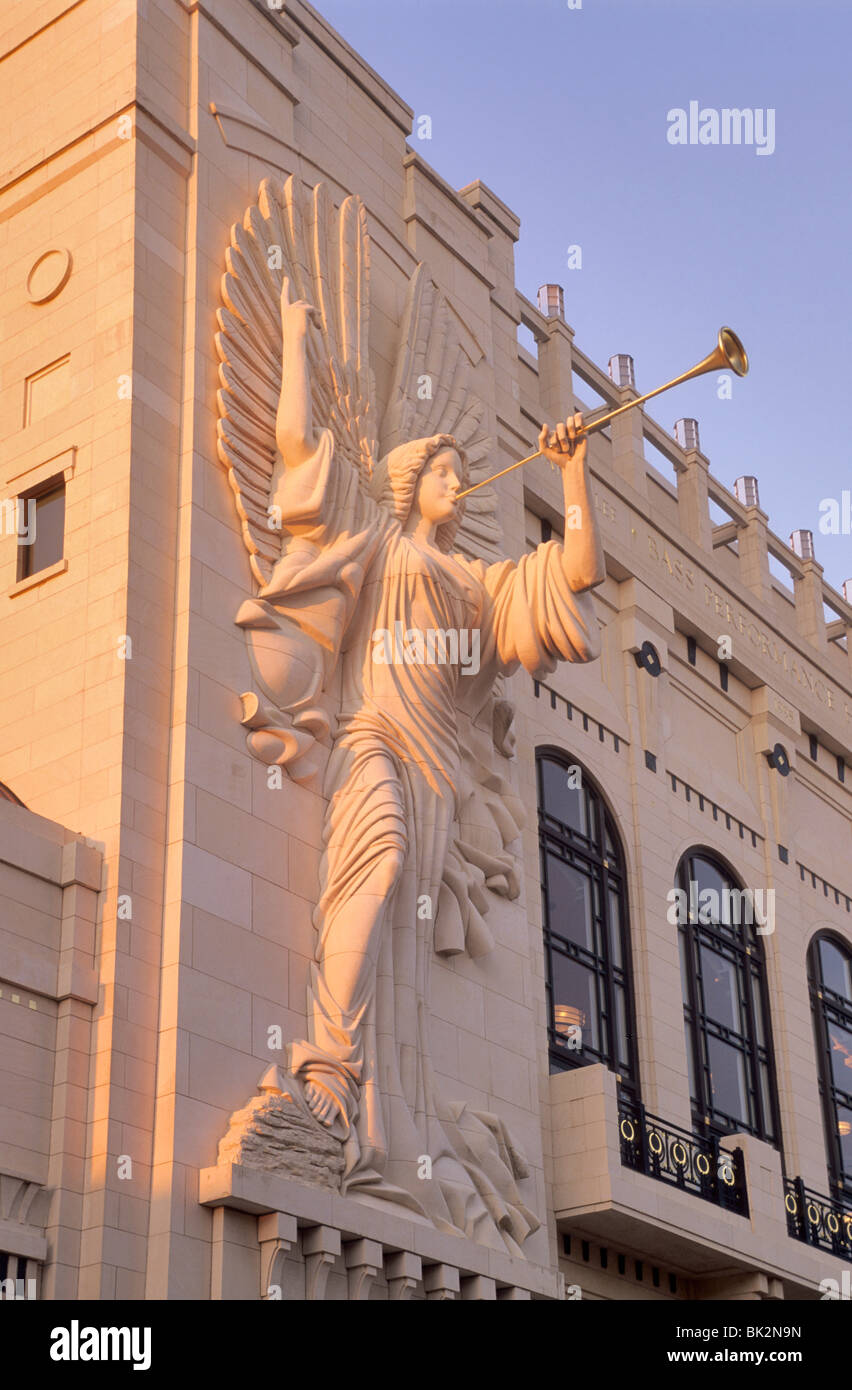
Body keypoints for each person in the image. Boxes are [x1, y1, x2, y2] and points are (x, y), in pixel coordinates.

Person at [263, 281, 605, 1249]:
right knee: (365, 881)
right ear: (411, 485)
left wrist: (572, 472)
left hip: (444, 774)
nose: (460, 478)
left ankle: (388, 1123)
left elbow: (575, 572)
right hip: (373, 735)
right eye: (445, 468)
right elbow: (298, 455)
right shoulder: (372, 540)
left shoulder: (490, 582)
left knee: (407, 943)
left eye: (464, 468)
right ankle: (330, 1066)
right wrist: (293, 337)